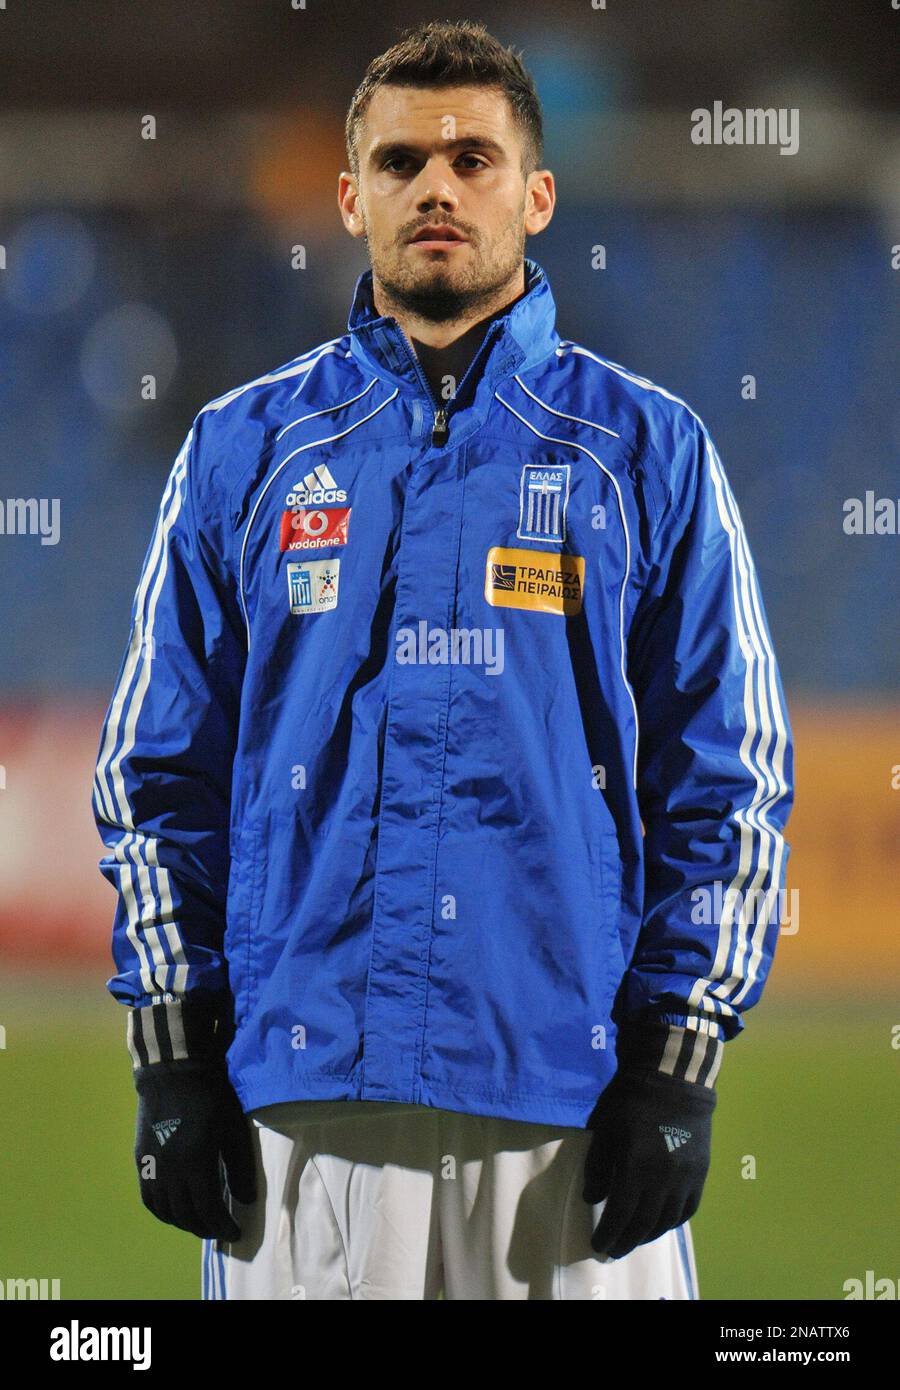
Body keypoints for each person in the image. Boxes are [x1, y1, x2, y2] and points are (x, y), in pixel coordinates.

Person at [92, 19, 793, 1300]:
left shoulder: (650, 454)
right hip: (303, 1118)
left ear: (536, 194)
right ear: (350, 193)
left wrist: (676, 1062)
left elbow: (731, 779)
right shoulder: (241, 452)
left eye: (473, 158)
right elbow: (154, 776)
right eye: (404, 159)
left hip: (568, 1115)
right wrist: (176, 1055)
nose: (437, 188)